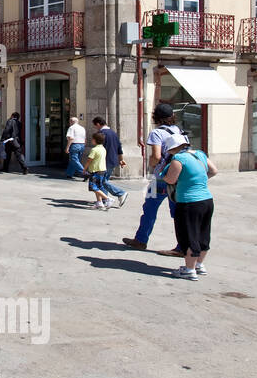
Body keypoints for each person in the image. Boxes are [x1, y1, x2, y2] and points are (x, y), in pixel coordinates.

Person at [123, 103, 189, 253]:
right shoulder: (178, 130)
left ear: (156, 117)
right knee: (177, 213)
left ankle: (141, 240)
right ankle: (182, 246)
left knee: (149, 208)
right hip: (177, 177)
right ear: (173, 116)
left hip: (158, 178)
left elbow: (156, 156)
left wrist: (152, 165)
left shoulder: (156, 133)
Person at [161, 138, 218, 280]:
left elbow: (171, 179)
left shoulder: (179, 158)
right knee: (203, 234)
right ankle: (199, 265)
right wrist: (197, 180)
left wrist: (164, 175)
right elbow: (214, 171)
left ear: (172, 148)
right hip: (206, 200)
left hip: (188, 202)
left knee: (188, 235)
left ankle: (189, 269)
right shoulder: (200, 154)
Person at [92, 116, 126, 205]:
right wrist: (121, 159)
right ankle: (105, 200)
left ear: (98, 124)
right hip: (113, 159)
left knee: (102, 181)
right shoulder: (113, 133)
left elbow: (99, 148)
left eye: (96, 126)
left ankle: (120, 193)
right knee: (104, 180)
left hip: (104, 161)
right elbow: (119, 147)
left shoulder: (101, 134)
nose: (96, 128)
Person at [86, 130, 112, 210]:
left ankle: (107, 199)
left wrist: (84, 169)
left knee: (93, 187)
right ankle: (99, 202)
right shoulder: (103, 149)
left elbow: (89, 160)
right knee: (98, 186)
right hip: (102, 170)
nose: (91, 140)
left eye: (92, 139)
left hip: (95, 171)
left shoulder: (94, 150)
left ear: (95, 140)